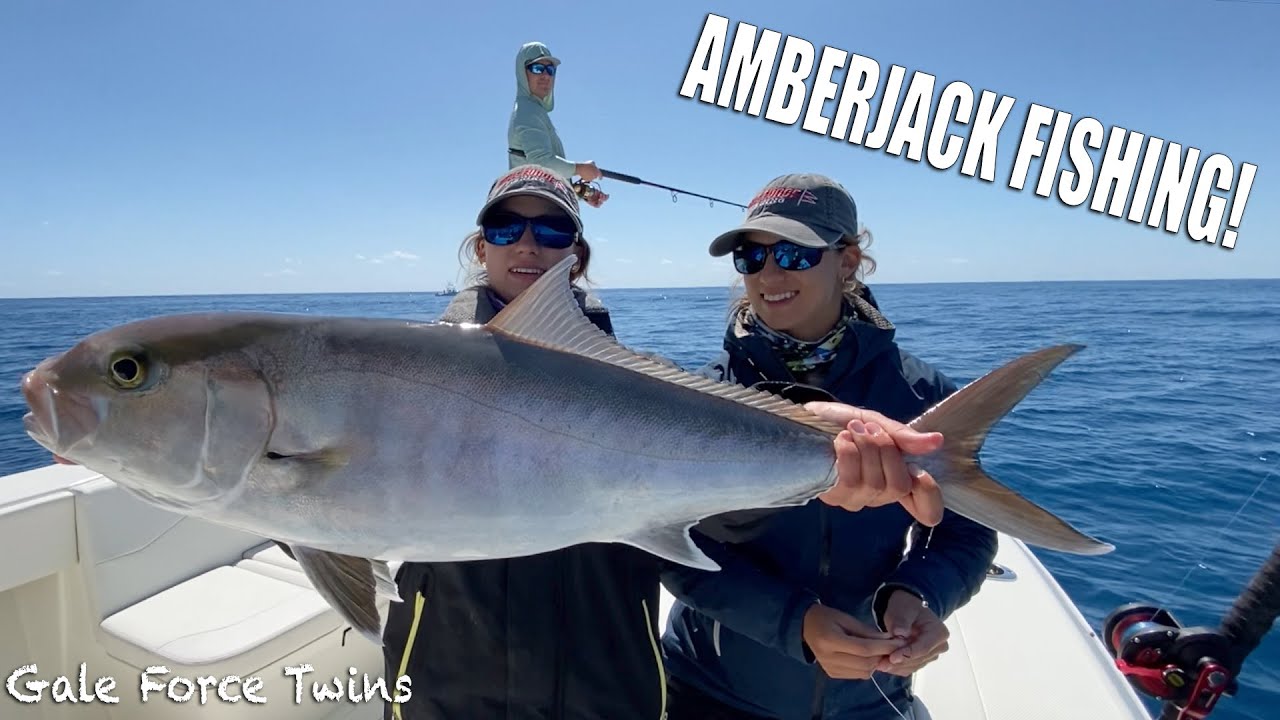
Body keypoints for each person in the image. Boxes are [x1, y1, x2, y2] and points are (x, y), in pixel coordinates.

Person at [40, 165, 952, 719]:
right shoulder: (379, 369)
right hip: (449, 684)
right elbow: (303, 500)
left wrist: (813, 450)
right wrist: (122, 441)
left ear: (576, 259)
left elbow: (709, 536)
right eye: (506, 227)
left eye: (553, 229)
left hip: (610, 685)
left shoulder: (646, 389)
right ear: (479, 248)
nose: (528, 242)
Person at [659, 173, 1000, 720]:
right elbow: (674, 546)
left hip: (871, 697)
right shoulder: (705, 399)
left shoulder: (922, 399)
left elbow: (966, 533)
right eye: (751, 256)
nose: (769, 273)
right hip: (713, 693)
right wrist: (796, 622)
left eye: (794, 254)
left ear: (847, 260)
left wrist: (917, 595)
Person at [506, 41, 609, 208]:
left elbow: (545, 179)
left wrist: (583, 193)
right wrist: (580, 168)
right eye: (537, 69)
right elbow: (541, 164)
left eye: (550, 70)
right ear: (522, 73)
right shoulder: (528, 112)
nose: (545, 76)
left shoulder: (535, 111)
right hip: (537, 211)